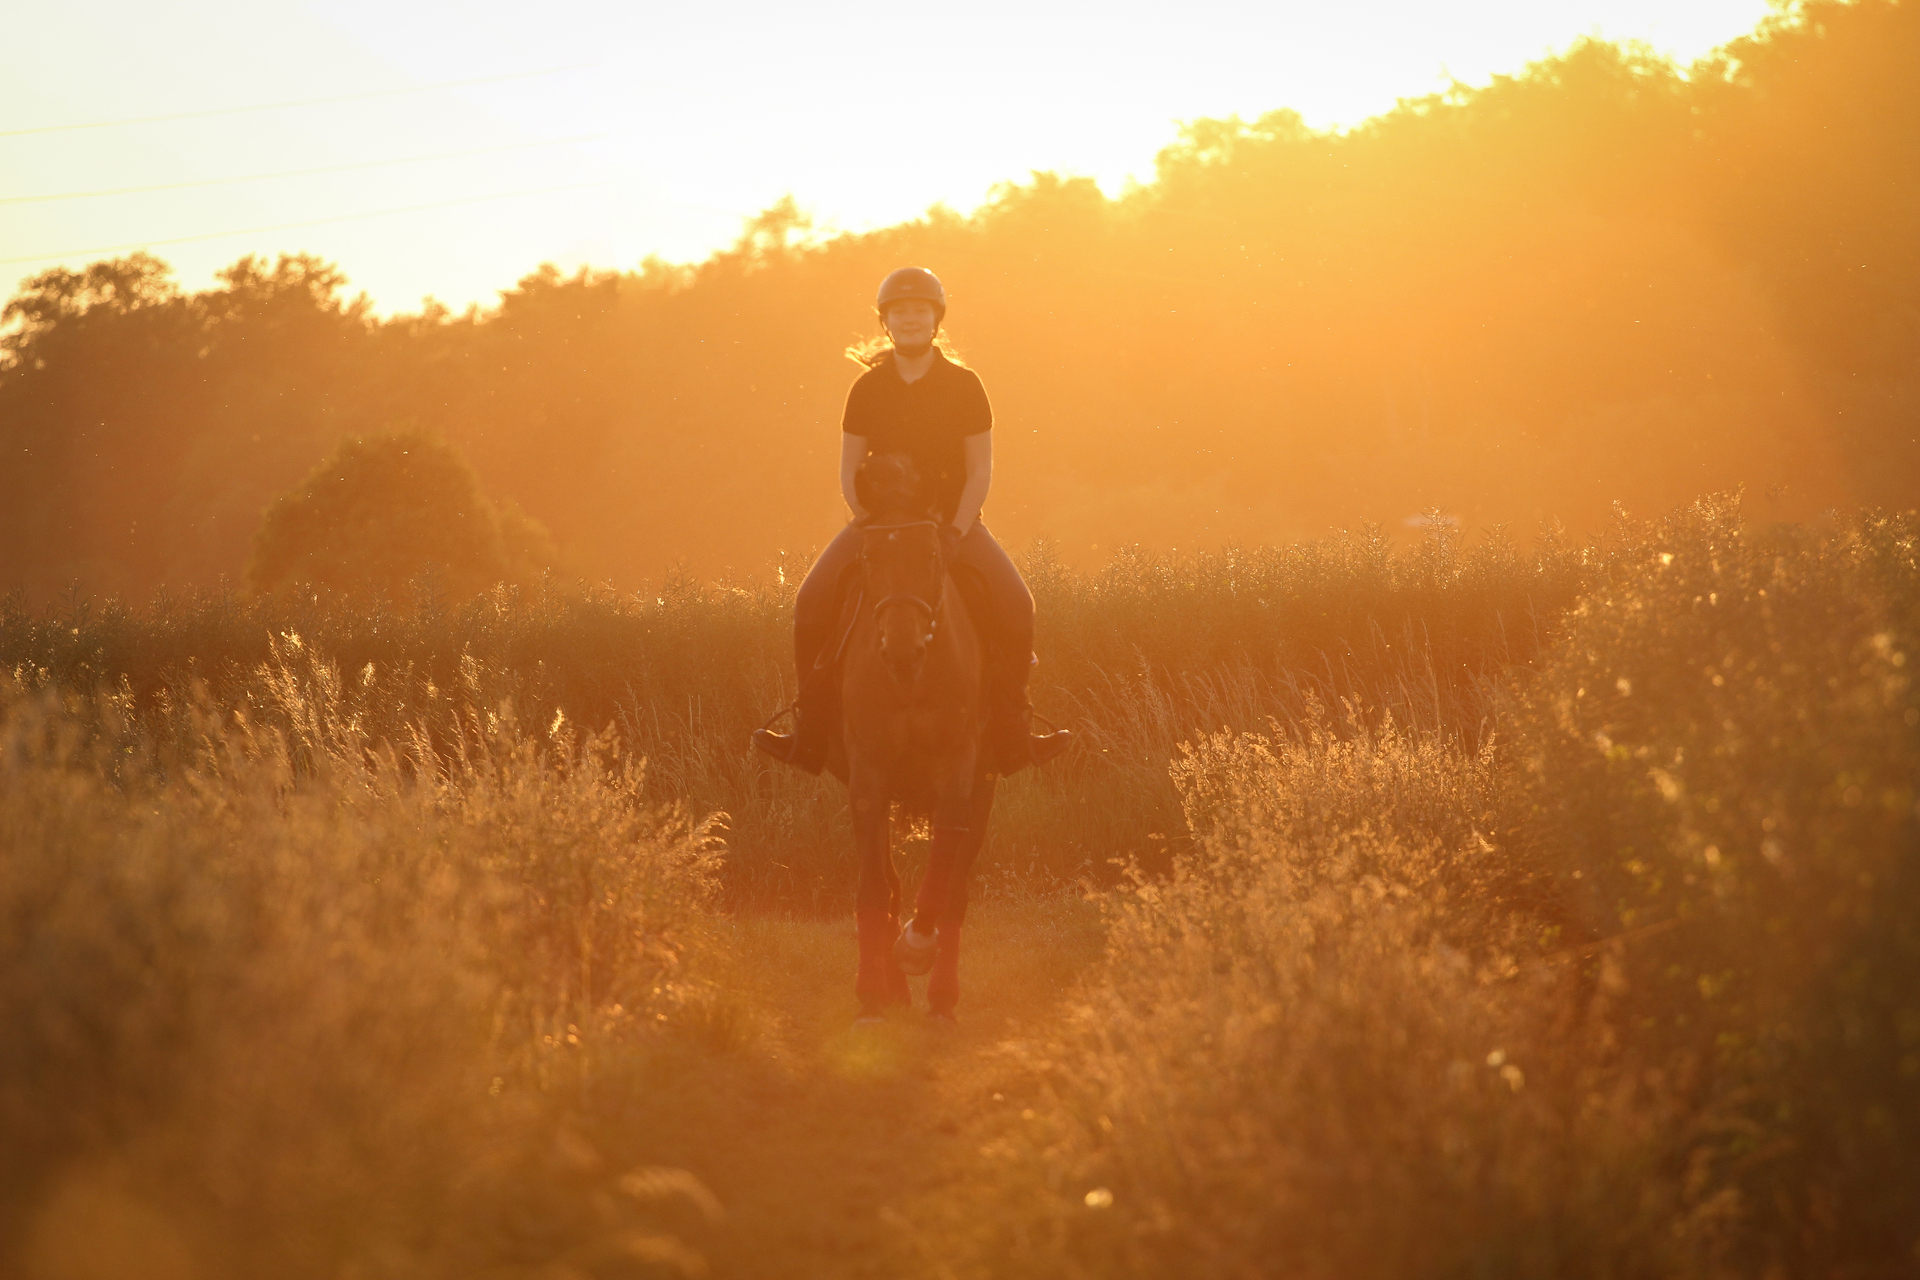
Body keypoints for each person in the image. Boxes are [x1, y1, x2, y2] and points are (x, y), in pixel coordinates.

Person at [753, 266, 1073, 775]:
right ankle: (809, 730)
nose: (909, 319)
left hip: (952, 525)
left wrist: (957, 530)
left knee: (1017, 603)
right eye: (899, 313)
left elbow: (980, 469)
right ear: (885, 323)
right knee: (811, 599)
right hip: (880, 525)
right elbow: (847, 469)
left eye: (919, 311)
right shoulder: (866, 389)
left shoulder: (966, 385)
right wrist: (871, 522)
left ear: (935, 320)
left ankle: (1014, 731)